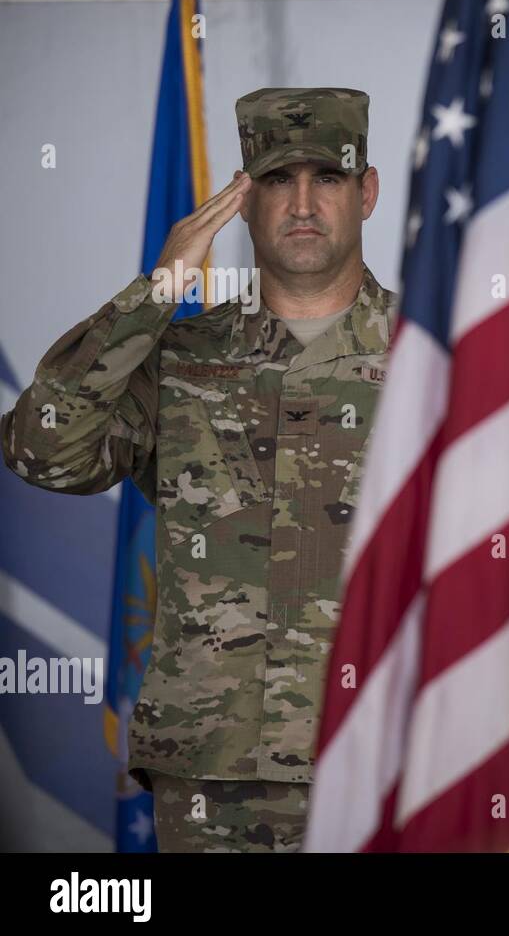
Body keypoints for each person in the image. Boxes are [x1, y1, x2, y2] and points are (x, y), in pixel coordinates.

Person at [2, 87, 395, 851]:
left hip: (385, 758)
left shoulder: (438, 363)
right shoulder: (178, 359)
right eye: (279, 180)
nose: (305, 201)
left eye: (329, 177)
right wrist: (155, 295)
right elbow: (39, 452)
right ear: (241, 203)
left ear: (367, 191)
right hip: (215, 782)